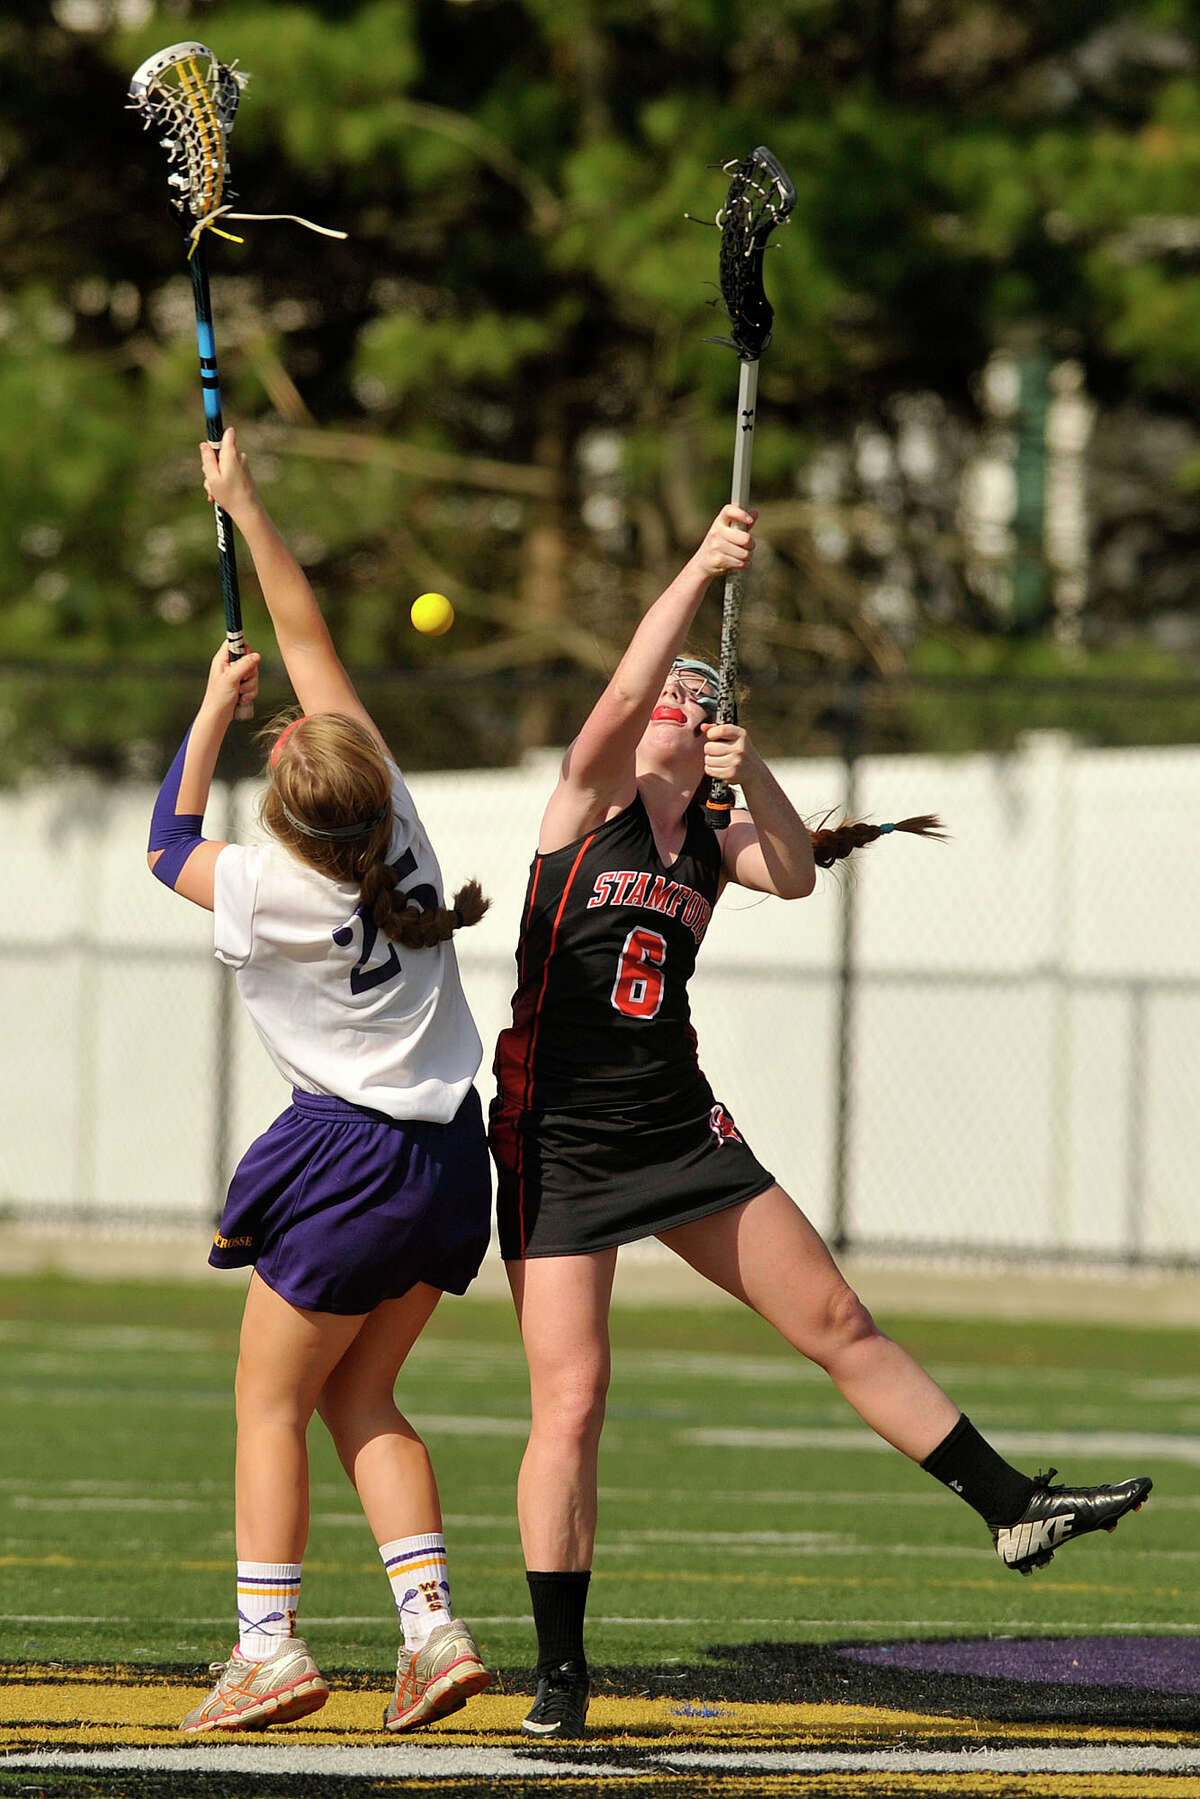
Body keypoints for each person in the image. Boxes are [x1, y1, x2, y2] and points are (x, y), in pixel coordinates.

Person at [489, 502, 1153, 1739]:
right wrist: (699, 564)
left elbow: (793, 872)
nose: (671, 710)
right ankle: (563, 1671)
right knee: (571, 1402)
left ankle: (1011, 1503)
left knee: (839, 1317)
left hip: (676, 1129)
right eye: (671, 704)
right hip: (558, 1141)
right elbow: (624, 684)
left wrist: (764, 770)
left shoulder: (713, 844)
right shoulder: (587, 805)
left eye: (696, 703)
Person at [148, 426, 494, 1736]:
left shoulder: (262, 885)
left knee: (272, 1399)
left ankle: (268, 1647)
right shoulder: (396, 814)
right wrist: (250, 506)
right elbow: (304, 629)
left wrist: (207, 715)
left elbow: (166, 837)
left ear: (287, 811)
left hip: (347, 1158)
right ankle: (431, 1628)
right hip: (449, 1156)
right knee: (363, 1392)